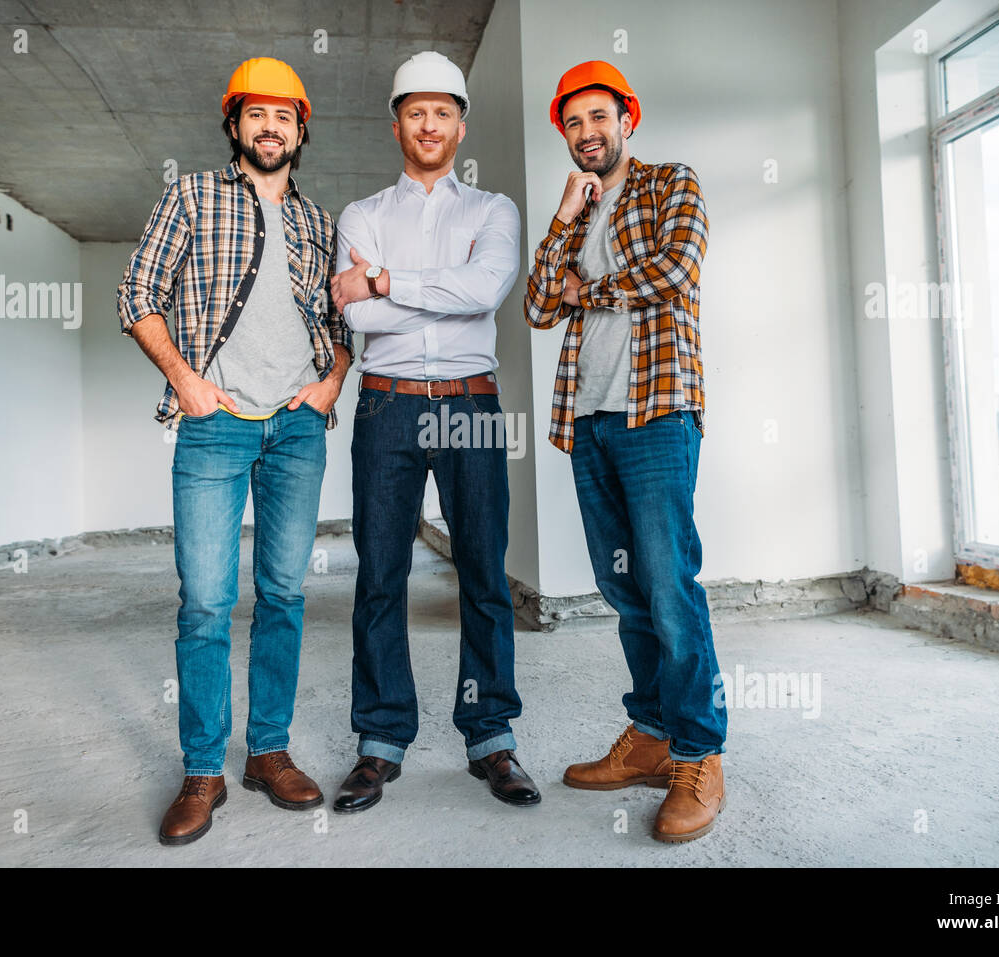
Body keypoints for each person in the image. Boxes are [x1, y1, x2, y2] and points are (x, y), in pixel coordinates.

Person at [117, 57, 352, 846]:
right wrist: (185, 378)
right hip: (214, 425)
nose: (270, 127)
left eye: (284, 115)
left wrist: (332, 383)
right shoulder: (191, 196)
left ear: (301, 129)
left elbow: (341, 324)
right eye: (256, 114)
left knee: (284, 594)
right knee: (207, 602)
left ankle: (269, 751)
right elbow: (136, 293)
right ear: (234, 125)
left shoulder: (319, 223)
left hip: (295, 427)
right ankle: (203, 768)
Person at [328, 51, 538, 814]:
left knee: (483, 570)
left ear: (459, 123)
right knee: (380, 572)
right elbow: (357, 317)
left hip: (471, 404)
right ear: (397, 124)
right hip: (385, 406)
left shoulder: (493, 211)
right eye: (415, 111)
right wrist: (433, 299)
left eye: (442, 112)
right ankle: (380, 742)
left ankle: (491, 738)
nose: (428, 124)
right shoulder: (362, 216)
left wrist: (385, 280)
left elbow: (485, 290)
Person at [522, 60, 726, 843]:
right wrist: (565, 218)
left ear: (626, 120)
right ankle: (650, 736)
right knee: (624, 590)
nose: (586, 134)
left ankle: (701, 752)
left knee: (671, 585)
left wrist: (590, 289)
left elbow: (676, 268)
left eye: (597, 117)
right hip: (591, 421)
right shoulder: (581, 208)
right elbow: (542, 304)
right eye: (573, 124)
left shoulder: (671, 181)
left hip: (657, 412)